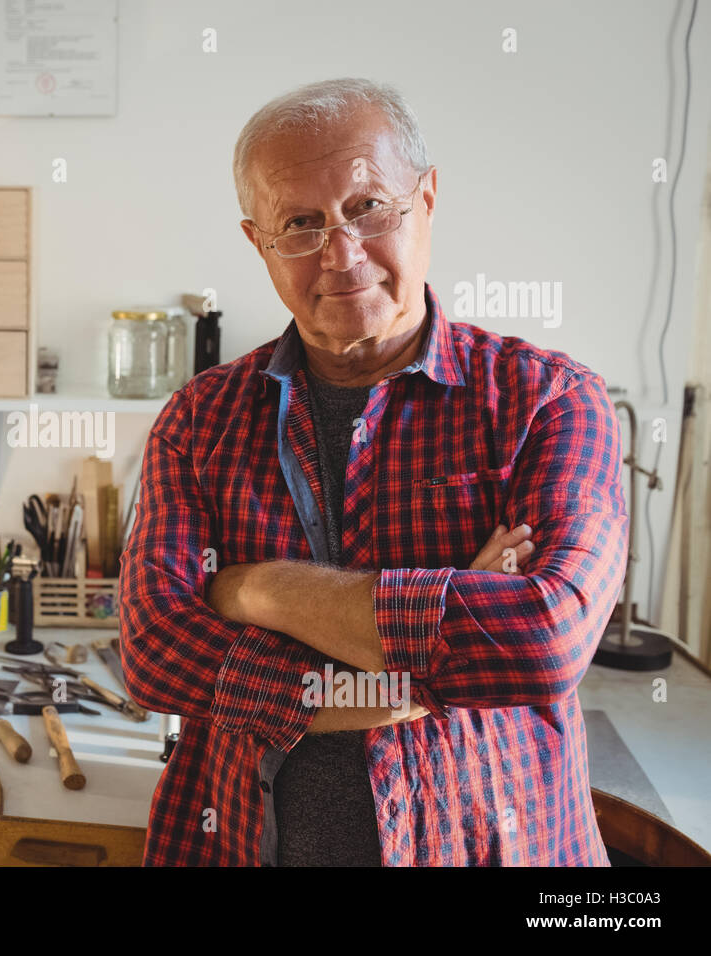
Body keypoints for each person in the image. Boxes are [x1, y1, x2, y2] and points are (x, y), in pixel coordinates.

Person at [119, 77, 628, 866]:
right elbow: (156, 656)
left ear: (427, 199)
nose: (342, 254)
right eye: (301, 224)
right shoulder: (198, 421)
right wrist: (423, 668)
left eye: (367, 208)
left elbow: (541, 641)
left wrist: (257, 591)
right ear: (258, 242)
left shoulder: (548, 402)